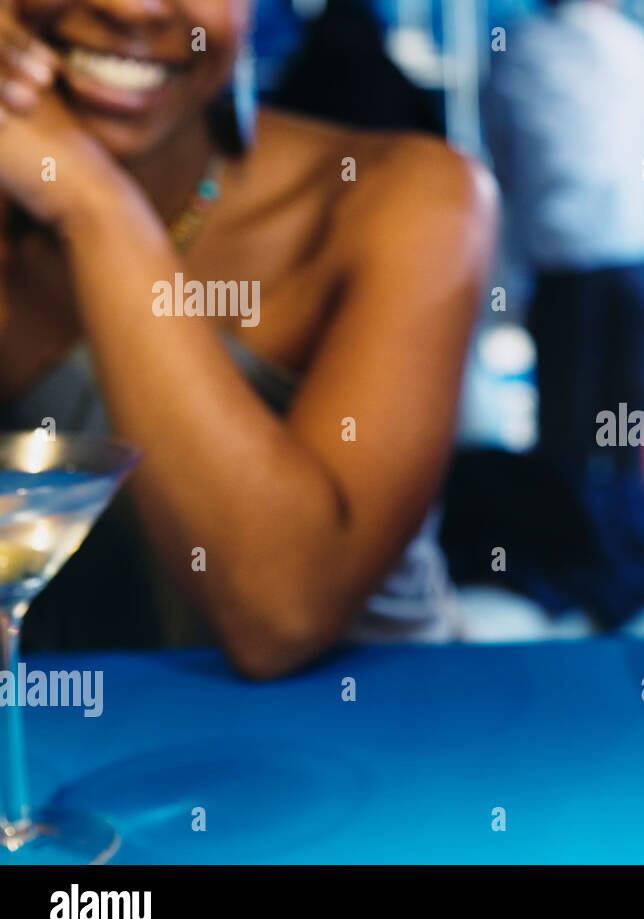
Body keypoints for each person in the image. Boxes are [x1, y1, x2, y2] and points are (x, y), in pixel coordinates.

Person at [0, 0, 496, 677]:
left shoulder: (406, 196)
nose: (131, 7)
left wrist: (94, 202)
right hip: (66, 753)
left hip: (373, 748)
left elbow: (279, 616)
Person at [481, 0, 644, 626]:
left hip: (582, 259)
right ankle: (613, 569)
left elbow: (503, 160)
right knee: (607, 426)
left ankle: (593, 569)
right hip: (612, 258)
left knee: (582, 430)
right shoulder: (628, 48)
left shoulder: (520, 50)